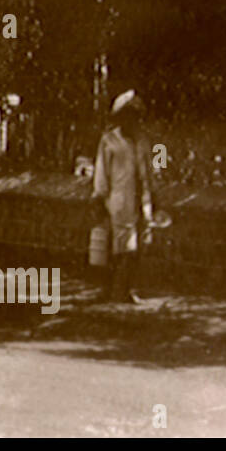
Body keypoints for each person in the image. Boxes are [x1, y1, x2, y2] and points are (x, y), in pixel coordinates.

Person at [91, 89, 154, 304]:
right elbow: (102, 170)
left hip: (139, 200)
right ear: (121, 117)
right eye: (129, 114)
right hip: (116, 201)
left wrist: (159, 176)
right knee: (115, 248)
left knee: (136, 248)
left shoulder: (143, 141)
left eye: (136, 115)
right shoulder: (109, 140)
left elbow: (152, 166)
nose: (133, 120)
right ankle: (111, 290)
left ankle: (128, 289)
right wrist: (100, 196)